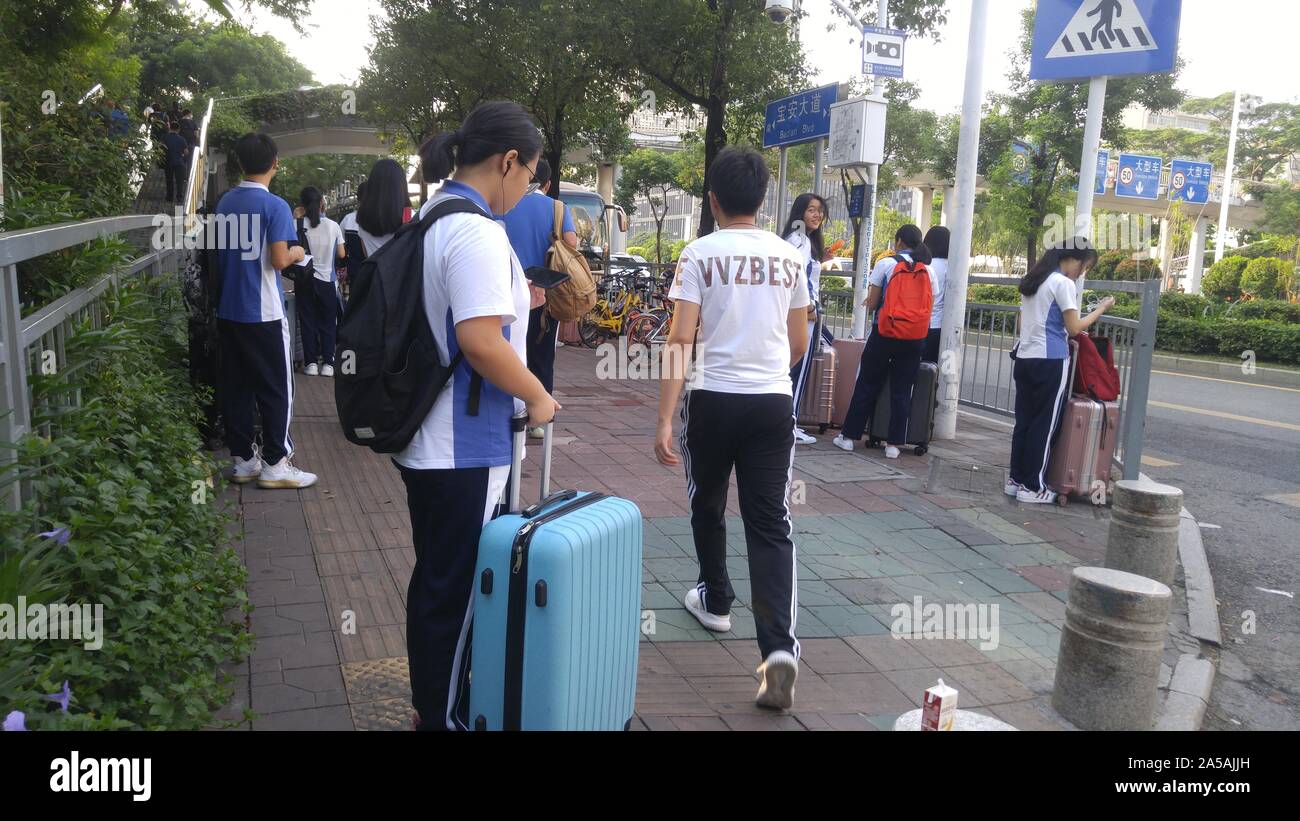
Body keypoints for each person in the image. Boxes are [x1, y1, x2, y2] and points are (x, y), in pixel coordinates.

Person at [395, 100, 559, 731]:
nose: (526, 191)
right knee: (461, 592)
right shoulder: (478, 229)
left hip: (428, 437)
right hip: (465, 444)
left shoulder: (436, 214)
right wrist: (538, 396)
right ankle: (442, 717)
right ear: (508, 161)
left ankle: (427, 707)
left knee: (437, 580)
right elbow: (481, 341)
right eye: (529, 177)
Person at [654, 146, 809, 711]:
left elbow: (680, 341)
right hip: (771, 402)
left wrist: (665, 418)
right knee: (770, 525)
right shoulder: (790, 257)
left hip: (712, 400)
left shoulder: (698, 253)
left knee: (708, 503)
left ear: (713, 200)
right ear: (764, 199)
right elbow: (798, 343)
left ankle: (716, 600)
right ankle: (778, 654)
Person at [215, 133, 317, 490]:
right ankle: (276, 462)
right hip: (264, 312)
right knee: (277, 388)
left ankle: (244, 461)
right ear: (275, 162)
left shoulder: (224, 202)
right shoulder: (275, 207)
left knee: (237, 387)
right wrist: (298, 254)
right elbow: (278, 259)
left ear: (241, 164)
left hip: (228, 310)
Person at [1008, 239, 1111, 504]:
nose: (1082, 273)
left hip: (1024, 357)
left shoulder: (1034, 280)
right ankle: (1033, 487)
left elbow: (1023, 320)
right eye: (1085, 266)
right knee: (1044, 424)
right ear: (1075, 259)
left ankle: (1015, 480)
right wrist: (1099, 310)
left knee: (1025, 422)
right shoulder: (1062, 283)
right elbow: (1074, 328)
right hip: (1050, 359)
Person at [832, 224, 933, 458]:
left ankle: (848, 437)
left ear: (899, 241)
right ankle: (894, 445)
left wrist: (870, 302)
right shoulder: (928, 269)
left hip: (885, 332)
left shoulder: (886, 263)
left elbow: (875, 300)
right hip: (914, 336)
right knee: (902, 389)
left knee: (868, 383)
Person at [500, 157, 578, 439]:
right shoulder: (557, 207)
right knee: (543, 355)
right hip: (545, 295)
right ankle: (539, 420)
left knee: (509, 351)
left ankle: (510, 409)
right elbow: (571, 245)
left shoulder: (504, 203)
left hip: (507, 293)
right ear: (547, 183)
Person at [781, 192, 830, 445]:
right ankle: (789, 425)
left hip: (800, 313)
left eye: (820, 210)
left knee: (791, 369)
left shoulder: (799, 239)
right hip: (803, 315)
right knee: (796, 372)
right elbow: (797, 279)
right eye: (811, 210)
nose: (817, 215)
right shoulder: (799, 241)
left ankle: (786, 423)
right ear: (800, 212)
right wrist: (808, 310)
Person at [295, 186, 346, 377]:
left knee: (307, 321)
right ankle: (328, 363)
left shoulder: (298, 225)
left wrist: (296, 216)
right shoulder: (333, 226)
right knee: (327, 322)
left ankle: (310, 363)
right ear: (322, 204)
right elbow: (341, 253)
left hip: (304, 281)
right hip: (327, 281)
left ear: (303, 205)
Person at [921, 226, 950, 363]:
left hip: (921, 323)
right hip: (941, 326)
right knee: (933, 369)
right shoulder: (953, 266)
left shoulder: (925, 265)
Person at [161, 120, 190, 205]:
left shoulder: (164, 137)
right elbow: (186, 152)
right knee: (179, 181)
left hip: (168, 161)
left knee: (169, 180)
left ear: (170, 128)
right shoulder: (181, 139)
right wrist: (182, 156)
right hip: (179, 162)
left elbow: (160, 147)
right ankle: (179, 197)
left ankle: (169, 197)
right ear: (178, 129)